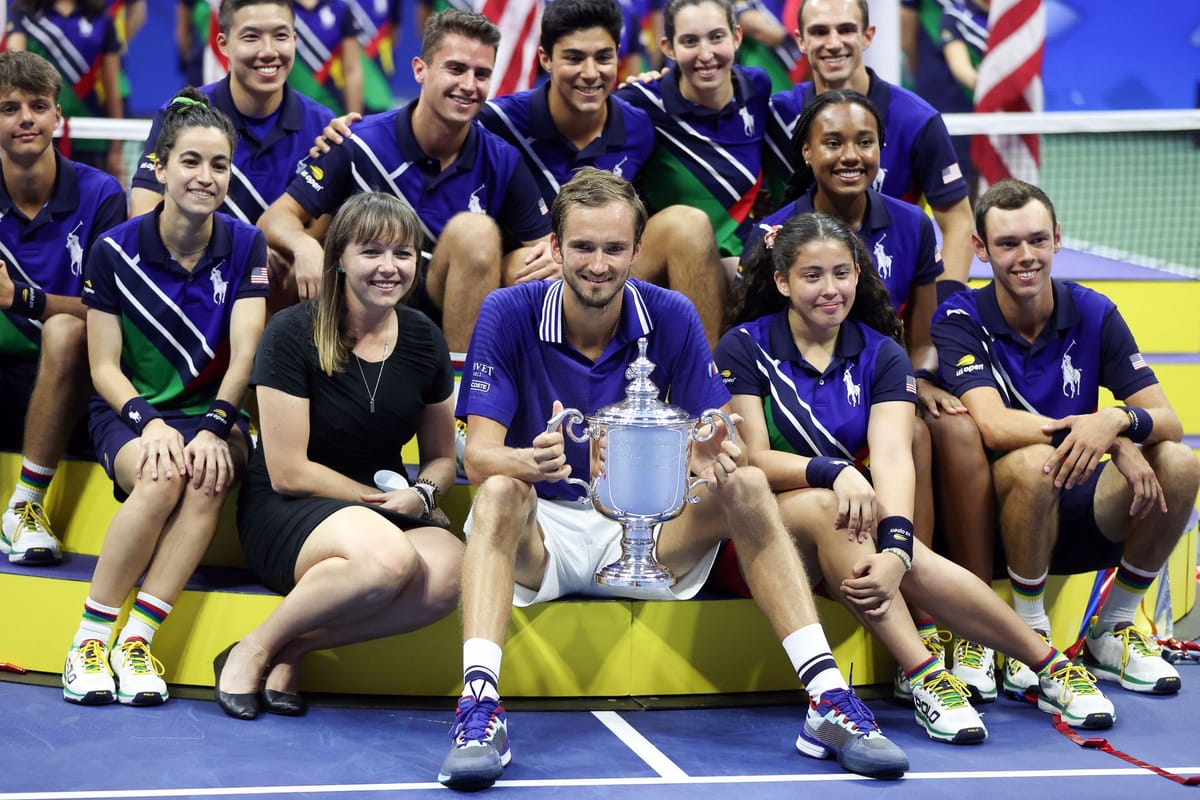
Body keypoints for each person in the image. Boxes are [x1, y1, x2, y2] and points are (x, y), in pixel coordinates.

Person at [439, 168, 909, 790]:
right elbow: (479, 459)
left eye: (614, 249)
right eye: (582, 247)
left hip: (648, 536)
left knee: (743, 486)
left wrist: (701, 450)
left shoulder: (673, 314)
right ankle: (480, 709)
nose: (599, 264)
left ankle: (825, 697)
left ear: (638, 251)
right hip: (541, 537)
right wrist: (538, 461)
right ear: (554, 248)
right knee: (499, 491)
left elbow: (718, 439)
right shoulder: (508, 311)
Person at [717, 211, 1116, 746]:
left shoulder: (883, 353)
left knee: (903, 552)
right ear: (784, 281)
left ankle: (1050, 668)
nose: (830, 289)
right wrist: (833, 471)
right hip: (762, 537)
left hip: (850, 525)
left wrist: (899, 548)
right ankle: (926, 675)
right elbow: (751, 461)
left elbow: (892, 456)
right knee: (832, 513)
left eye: (842, 273)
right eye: (812, 276)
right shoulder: (743, 347)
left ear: (859, 275)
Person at [749, 88, 999, 702]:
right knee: (910, 432)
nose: (850, 155)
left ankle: (947, 611)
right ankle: (916, 620)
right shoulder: (778, 231)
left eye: (864, 142)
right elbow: (758, 328)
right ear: (806, 152)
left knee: (937, 429)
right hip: (809, 404)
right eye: (833, 143)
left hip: (885, 382)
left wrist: (913, 385)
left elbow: (918, 339)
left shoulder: (912, 222)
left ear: (882, 151)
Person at [931, 179, 1200, 698]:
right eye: (1008, 245)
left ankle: (1115, 630)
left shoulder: (1094, 311)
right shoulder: (961, 317)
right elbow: (992, 423)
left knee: (1181, 464)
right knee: (1034, 462)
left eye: (1036, 239)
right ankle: (1027, 633)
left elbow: (1166, 420)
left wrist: (1118, 420)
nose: (1025, 256)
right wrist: (1110, 439)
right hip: (997, 520)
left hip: (1080, 506)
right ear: (982, 251)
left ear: (1057, 238)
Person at [212, 193, 463, 720]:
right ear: (340, 258)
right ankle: (253, 649)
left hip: (380, 510)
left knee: (453, 573)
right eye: (372, 252)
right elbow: (288, 471)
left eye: (403, 253)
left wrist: (423, 494)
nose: (389, 267)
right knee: (388, 556)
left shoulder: (424, 338)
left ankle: (291, 649)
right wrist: (380, 504)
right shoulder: (292, 332)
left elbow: (441, 458)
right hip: (289, 509)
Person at [61, 89, 268, 707]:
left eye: (219, 165)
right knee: (160, 475)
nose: (206, 177)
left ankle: (138, 640)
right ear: (159, 166)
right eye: (191, 162)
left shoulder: (246, 244)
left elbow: (246, 353)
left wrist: (212, 426)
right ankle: (90, 641)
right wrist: (148, 424)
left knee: (208, 470)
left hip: (212, 412)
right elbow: (102, 366)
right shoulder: (114, 250)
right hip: (129, 411)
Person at [258, 8, 550, 352]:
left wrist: (547, 259)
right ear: (420, 70)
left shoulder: (502, 159)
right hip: (359, 308)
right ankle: (273, 391)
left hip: (445, 307)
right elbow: (273, 219)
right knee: (276, 260)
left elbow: (543, 247)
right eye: (455, 69)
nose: (469, 85)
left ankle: (463, 394)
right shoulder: (359, 143)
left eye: (481, 74)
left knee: (489, 241)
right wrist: (304, 245)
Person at [476, 0, 727, 347]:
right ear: (545, 59)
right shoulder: (496, 122)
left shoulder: (639, 124)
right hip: (534, 259)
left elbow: (702, 98)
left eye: (604, 57)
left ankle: (703, 382)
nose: (591, 72)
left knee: (690, 224)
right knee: (529, 265)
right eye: (575, 58)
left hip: (611, 255)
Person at [0, 51, 126, 565]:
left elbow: (110, 313)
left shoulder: (102, 195)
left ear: (59, 118)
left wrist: (21, 298)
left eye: (37, 105)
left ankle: (26, 505)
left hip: (78, 384)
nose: (25, 117)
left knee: (67, 333)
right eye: (9, 108)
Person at [764, 0, 975, 299]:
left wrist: (943, 308)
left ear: (867, 35)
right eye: (820, 31)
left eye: (846, 29)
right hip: (801, 294)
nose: (834, 43)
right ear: (801, 40)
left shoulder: (916, 119)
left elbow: (958, 221)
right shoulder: (778, 113)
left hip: (887, 296)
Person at [131, 0, 337, 229]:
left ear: (294, 41)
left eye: (280, 36)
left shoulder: (323, 125)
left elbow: (325, 230)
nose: (268, 51)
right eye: (251, 37)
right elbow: (144, 214)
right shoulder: (180, 114)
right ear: (223, 44)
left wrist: (295, 247)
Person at [616, 0, 772, 276]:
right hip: (671, 267)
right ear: (668, 48)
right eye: (690, 41)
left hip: (740, 260)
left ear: (736, 37)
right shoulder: (640, 102)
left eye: (716, 37)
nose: (706, 54)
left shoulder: (757, 87)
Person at [5, 0, 125, 181]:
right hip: (37, 131)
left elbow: (111, 87)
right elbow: (13, 68)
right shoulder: (24, 13)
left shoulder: (102, 19)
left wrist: (116, 148)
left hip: (92, 134)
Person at [288, 0, 364, 116]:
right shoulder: (277, 7)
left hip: (332, 113)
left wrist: (354, 124)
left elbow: (351, 70)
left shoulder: (340, 8)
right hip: (289, 112)